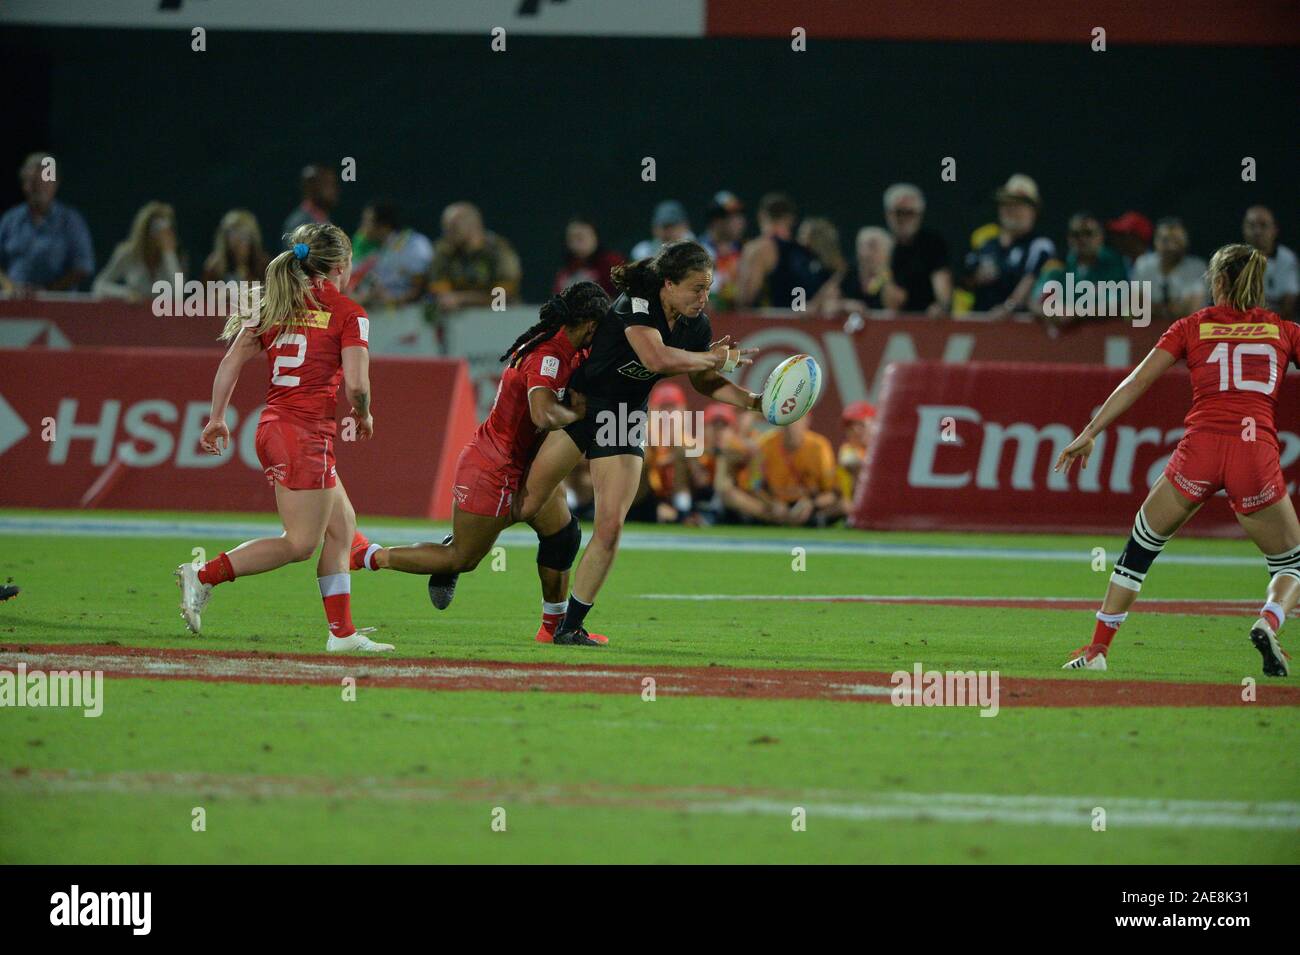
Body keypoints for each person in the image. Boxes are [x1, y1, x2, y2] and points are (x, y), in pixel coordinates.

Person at [1055, 243, 1300, 676]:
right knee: (1290, 563)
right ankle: (1268, 619)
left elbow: (1137, 381)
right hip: (1254, 452)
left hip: (1200, 451)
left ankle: (1097, 651)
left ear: (1217, 281)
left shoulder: (1192, 326)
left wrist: (1091, 431)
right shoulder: (1284, 330)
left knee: (1140, 549)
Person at [513, 241, 760, 645]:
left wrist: (755, 402)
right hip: (581, 405)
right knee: (526, 504)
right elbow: (656, 359)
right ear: (668, 284)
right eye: (696, 288)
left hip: (624, 417)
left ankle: (569, 627)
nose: (704, 297)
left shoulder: (696, 326)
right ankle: (462, 548)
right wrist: (713, 358)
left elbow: (704, 382)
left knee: (610, 526)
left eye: (708, 288)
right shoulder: (636, 304)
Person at [174, 223, 390, 653]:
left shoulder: (277, 303)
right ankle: (202, 575)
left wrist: (217, 418)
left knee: (342, 527)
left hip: (275, 427)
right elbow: (357, 385)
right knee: (300, 543)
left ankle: (342, 633)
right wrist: (364, 414)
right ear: (341, 266)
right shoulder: (348, 313)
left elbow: (231, 361)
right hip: (305, 434)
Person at [355, 282, 609, 642]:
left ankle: (555, 628)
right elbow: (542, 413)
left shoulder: (567, 348)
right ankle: (370, 556)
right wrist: (577, 414)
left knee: (562, 535)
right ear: (588, 324)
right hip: (493, 468)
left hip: (525, 464)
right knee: (462, 558)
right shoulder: (547, 355)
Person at [961, 174, 1056, 315]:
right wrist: (976, 277)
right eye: (1007, 203)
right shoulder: (986, 244)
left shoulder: (1039, 246)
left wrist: (1008, 307)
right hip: (981, 322)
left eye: (1019, 205)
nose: (1011, 209)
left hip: (1019, 324)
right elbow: (964, 282)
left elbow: (1031, 279)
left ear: (1034, 210)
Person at [0, 151, 94, 293]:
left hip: (56, 301)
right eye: (33, 182)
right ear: (24, 185)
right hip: (14, 299)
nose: (39, 187)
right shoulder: (10, 220)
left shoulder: (71, 221)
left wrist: (47, 291)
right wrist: (10, 287)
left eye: (44, 182)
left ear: (55, 183)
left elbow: (83, 267)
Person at [428, 201, 522, 312]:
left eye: (454, 227)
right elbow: (439, 291)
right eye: (445, 228)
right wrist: (447, 299)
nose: (448, 233)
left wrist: (462, 299)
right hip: (457, 316)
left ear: (473, 226)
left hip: (499, 315)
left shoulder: (499, 250)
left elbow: (503, 296)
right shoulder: (444, 251)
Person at [736, 193, 825, 309]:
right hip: (806, 318)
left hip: (773, 320)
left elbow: (745, 299)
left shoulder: (758, 249)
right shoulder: (805, 251)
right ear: (791, 219)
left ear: (761, 216)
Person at [755, 414, 846, 526]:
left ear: (806, 421)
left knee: (843, 506)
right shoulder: (765, 445)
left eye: (796, 420)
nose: (791, 426)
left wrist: (812, 504)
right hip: (777, 505)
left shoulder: (819, 446)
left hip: (809, 505)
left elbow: (833, 493)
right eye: (787, 421)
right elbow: (755, 486)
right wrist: (772, 503)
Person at [882, 183, 952, 316]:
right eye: (898, 212)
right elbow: (892, 302)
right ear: (888, 214)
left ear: (919, 215)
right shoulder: (882, 244)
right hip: (890, 320)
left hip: (926, 320)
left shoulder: (932, 244)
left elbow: (942, 287)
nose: (903, 219)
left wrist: (941, 305)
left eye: (909, 213)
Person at [93, 201, 184, 302]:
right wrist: (126, 293)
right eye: (156, 229)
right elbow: (99, 286)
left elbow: (179, 293)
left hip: (161, 311)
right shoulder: (127, 254)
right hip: (134, 310)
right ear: (145, 231)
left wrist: (169, 254)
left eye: (166, 230)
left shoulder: (174, 257)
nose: (160, 235)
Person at [349, 199, 434, 307]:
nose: (362, 227)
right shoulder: (376, 252)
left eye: (366, 221)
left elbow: (421, 288)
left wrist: (393, 301)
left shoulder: (415, 245)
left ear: (383, 226)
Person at [1131, 217, 1208, 322]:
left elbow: (1194, 310)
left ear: (1186, 242)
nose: (1171, 246)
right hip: (1147, 328)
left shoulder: (1197, 267)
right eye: (1165, 240)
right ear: (1155, 241)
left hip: (1184, 328)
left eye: (1177, 240)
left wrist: (1154, 308)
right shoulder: (1143, 264)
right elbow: (1136, 308)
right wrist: (1173, 308)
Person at [1242, 206, 1297, 322]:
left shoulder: (1287, 258)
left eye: (1263, 225)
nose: (1257, 231)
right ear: (1244, 229)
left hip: (1279, 323)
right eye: (1251, 226)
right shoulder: (1234, 259)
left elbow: (1289, 304)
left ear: (1274, 230)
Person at [836, 227, 907, 312]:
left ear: (888, 251)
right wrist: (844, 305)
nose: (865, 253)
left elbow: (895, 305)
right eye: (861, 246)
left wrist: (884, 275)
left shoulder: (898, 273)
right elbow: (826, 303)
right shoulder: (847, 273)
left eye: (873, 246)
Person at [553, 216, 624, 296]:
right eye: (571, 239)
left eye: (580, 238)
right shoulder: (565, 271)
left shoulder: (612, 263)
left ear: (595, 236)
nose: (575, 243)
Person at [700, 191, 746, 311]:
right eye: (733, 217)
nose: (740, 221)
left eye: (740, 215)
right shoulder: (697, 252)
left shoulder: (745, 250)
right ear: (716, 220)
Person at [201, 209, 269, 285]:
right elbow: (205, 291)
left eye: (243, 236)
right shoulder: (214, 267)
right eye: (234, 236)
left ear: (252, 239)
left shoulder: (263, 265)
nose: (239, 243)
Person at [282, 163, 338, 237]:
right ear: (311, 188)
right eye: (326, 185)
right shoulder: (299, 223)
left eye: (333, 185)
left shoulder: (324, 219)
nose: (333, 191)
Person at [629, 200, 694, 260]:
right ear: (655, 229)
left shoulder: (698, 249)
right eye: (665, 227)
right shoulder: (642, 252)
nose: (669, 232)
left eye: (673, 226)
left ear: (685, 226)